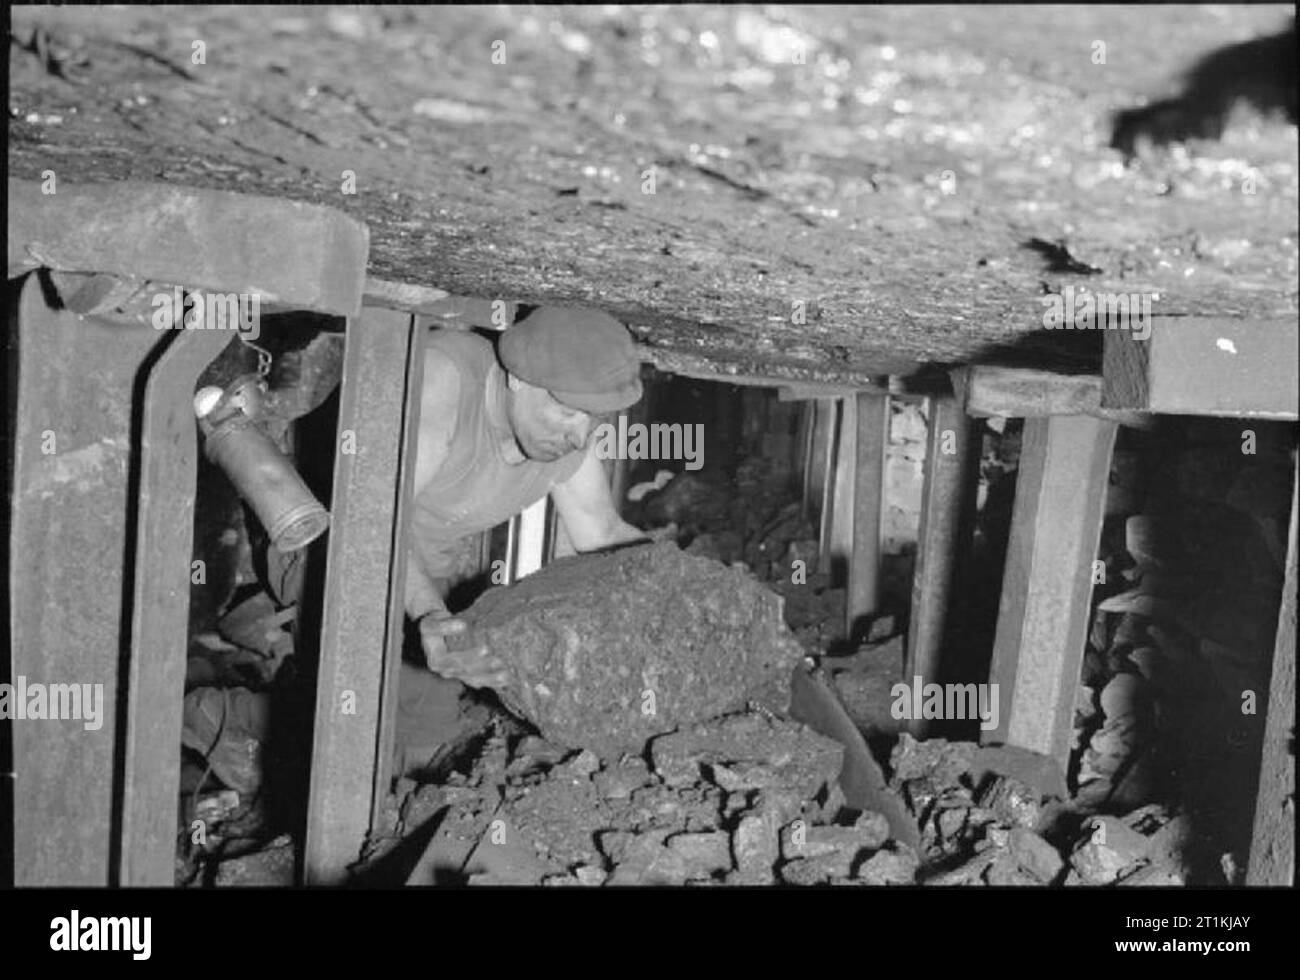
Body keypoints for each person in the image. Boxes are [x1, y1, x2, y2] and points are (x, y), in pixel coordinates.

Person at [395, 305, 648, 769]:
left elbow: (603, 533)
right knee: (378, 722)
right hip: (336, 547)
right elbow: (375, 519)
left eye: (594, 420)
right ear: (517, 380)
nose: (580, 437)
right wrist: (430, 614)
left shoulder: (568, 432)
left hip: (436, 569)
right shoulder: (445, 381)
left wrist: (687, 580)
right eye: (569, 413)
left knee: (425, 731)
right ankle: (224, 719)